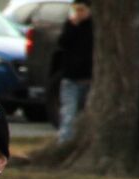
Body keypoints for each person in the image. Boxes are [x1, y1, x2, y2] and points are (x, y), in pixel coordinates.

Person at [52, 2, 93, 144]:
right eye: (76, 10)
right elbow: (62, 42)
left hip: (88, 79)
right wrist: (72, 27)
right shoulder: (70, 26)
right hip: (71, 78)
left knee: (85, 115)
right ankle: (64, 142)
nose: (79, 13)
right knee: (69, 113)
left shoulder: (93, 28)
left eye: (82, 10)